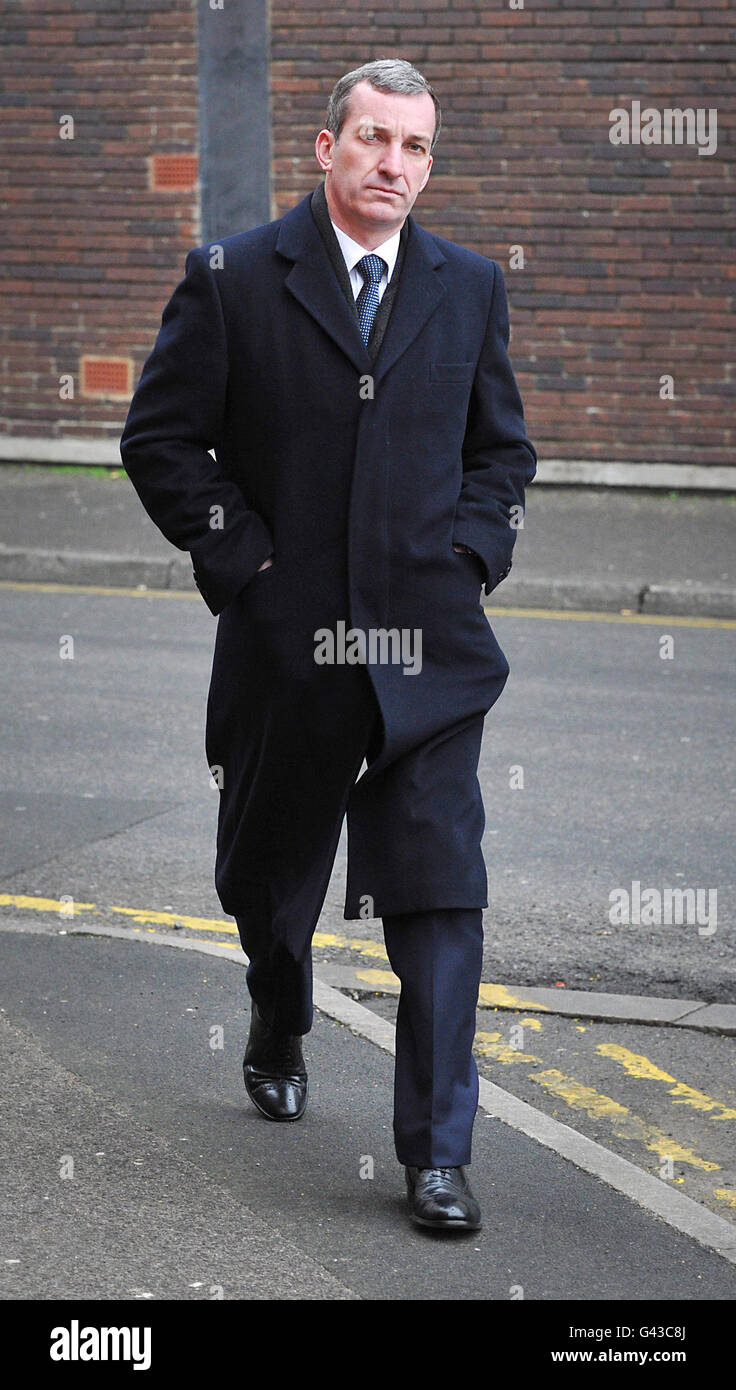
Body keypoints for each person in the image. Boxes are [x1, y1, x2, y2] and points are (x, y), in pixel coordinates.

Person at [120, 57, 536, 1232]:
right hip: (287, 652)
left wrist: (466, 559)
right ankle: (277, 1005)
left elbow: (502, 456)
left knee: (442, 896)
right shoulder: (237, 278)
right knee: (267, 886)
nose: (392, 165)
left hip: (431, 658)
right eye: (373, 140)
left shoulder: (469, 286)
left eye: (414, 148)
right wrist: (245, 565)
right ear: (326, 145)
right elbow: (162, 440)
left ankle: (436, 1155)